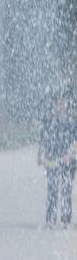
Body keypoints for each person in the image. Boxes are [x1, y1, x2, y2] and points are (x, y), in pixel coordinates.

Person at [38, 92, 77, 228]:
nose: (61, 105)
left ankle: (66, 219)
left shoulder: (72, 122)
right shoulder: (48, 121)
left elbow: (75, 139)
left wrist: (69, 153)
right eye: (58, 102)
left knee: (67, 188)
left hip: (68, 160)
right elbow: (42, 139)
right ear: (54, 105)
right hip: (52, 159)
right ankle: (51, 218)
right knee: (52, 188)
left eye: (63, 102)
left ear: (67, 104)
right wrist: (41, 155)